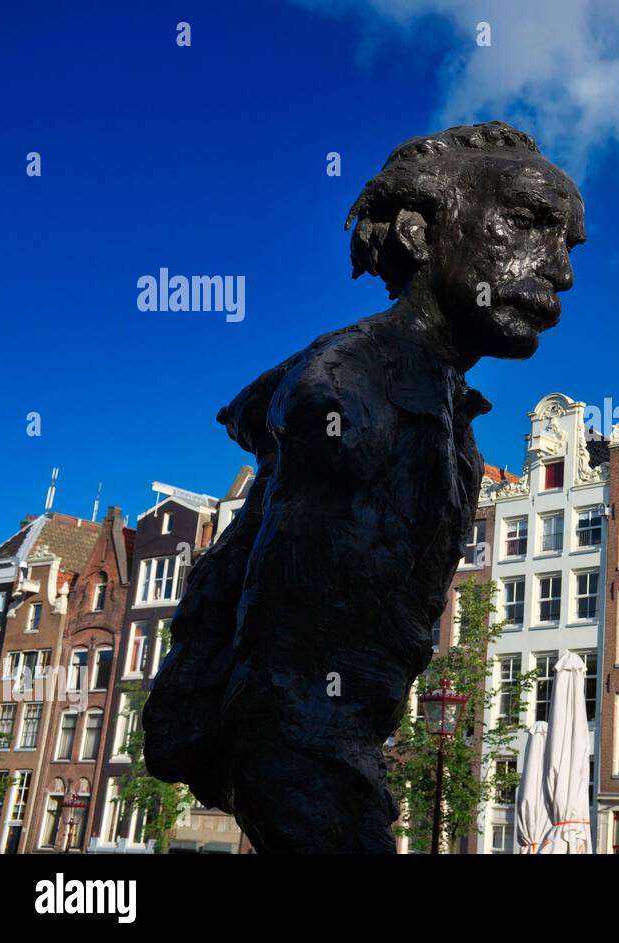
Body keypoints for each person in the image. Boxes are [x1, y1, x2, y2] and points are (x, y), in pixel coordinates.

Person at [144, 122, 585, 853]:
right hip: (308, 766)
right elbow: (283, 643)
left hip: (335, 762)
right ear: (418, 231)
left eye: (567, 243)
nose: (560, 271)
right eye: (530, 223)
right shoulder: (354, 386)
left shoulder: (447, 415)